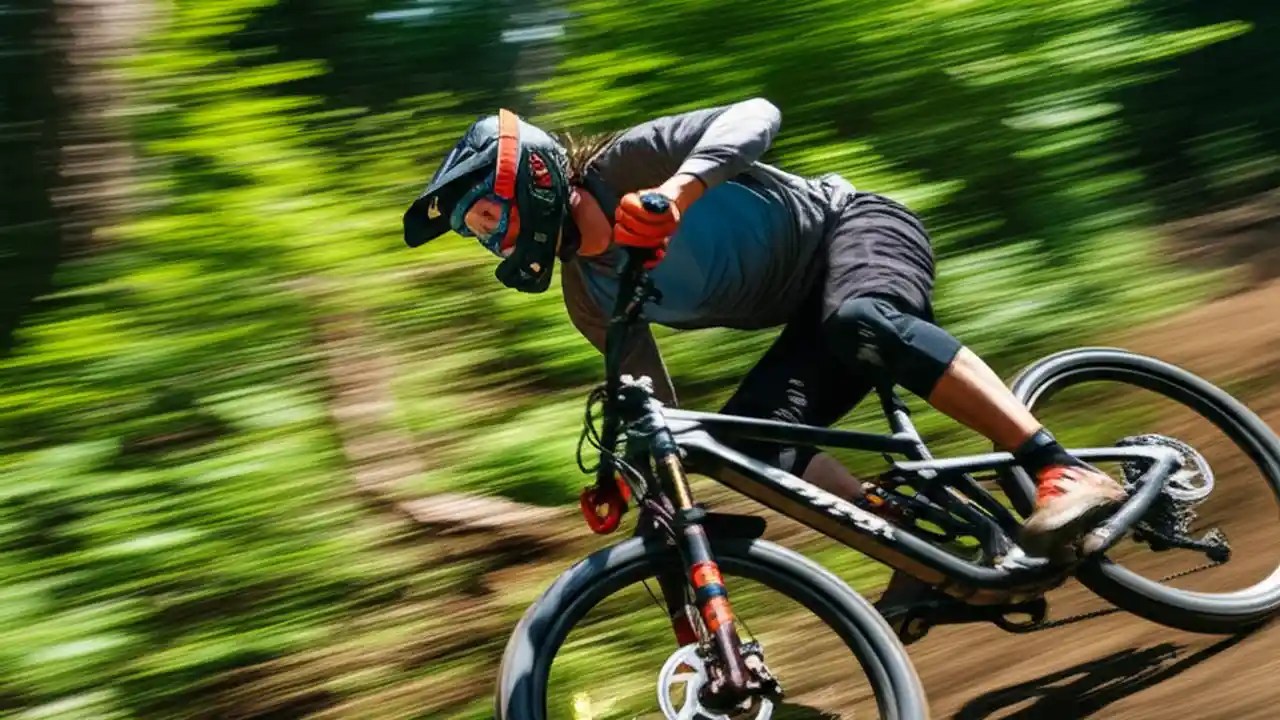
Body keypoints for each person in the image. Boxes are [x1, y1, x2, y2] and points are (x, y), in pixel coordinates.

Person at [401, 98, 1127, 589]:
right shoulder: (587, 296)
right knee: (744, 447)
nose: (491, 238)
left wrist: (678, 193)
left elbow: (758, 116)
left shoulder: (631, 164)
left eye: (489, 216)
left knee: (860, 319)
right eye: (479, 234)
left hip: (855, 228)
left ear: (528, 178)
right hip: (811, 317)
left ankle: (1059, 468)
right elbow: (654, 405)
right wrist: (636, 479)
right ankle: (911, 543)